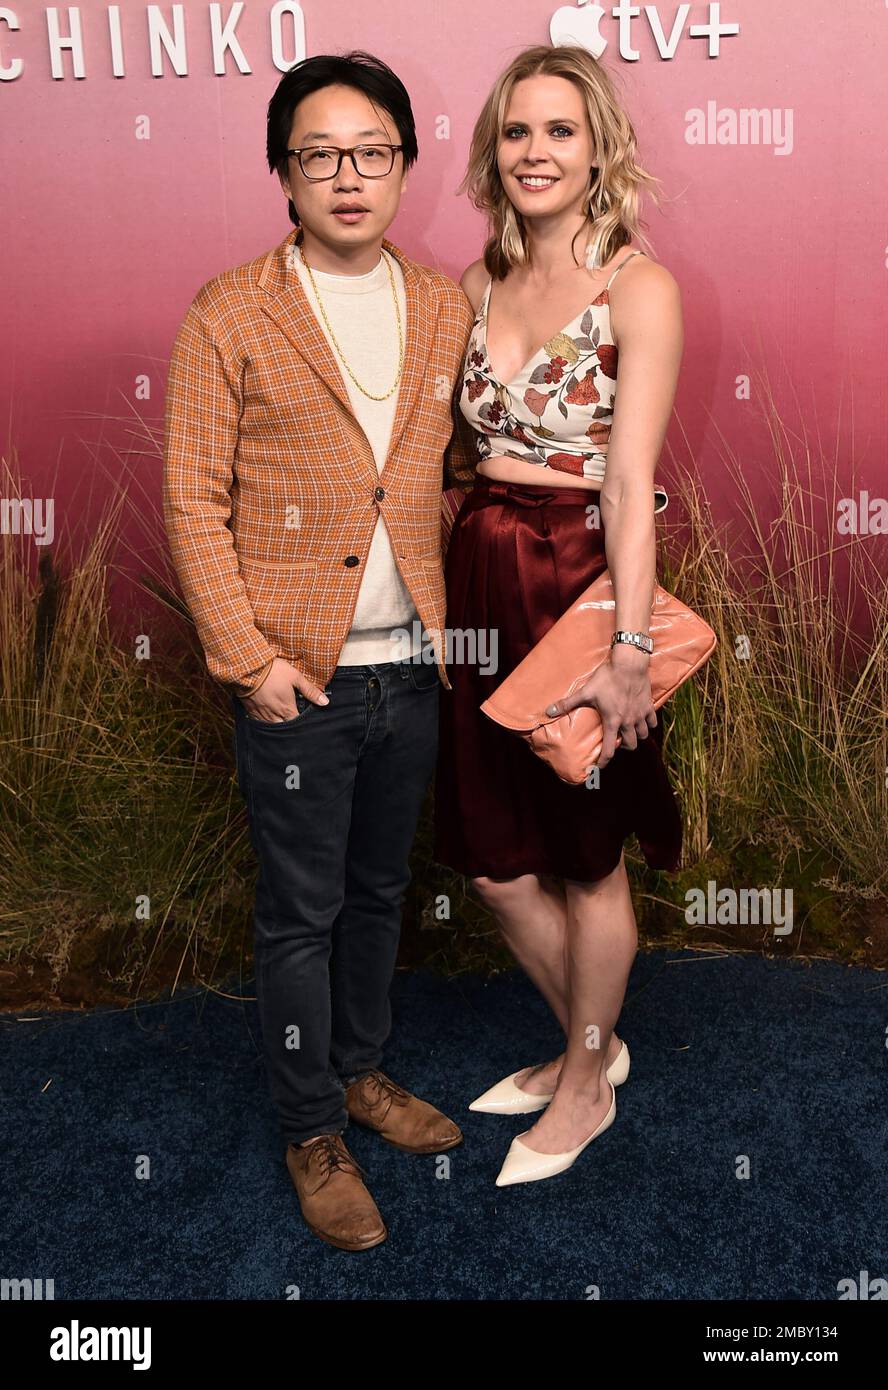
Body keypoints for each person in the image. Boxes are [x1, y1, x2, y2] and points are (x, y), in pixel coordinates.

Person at [162, 51, 479, 1250]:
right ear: (282, 172)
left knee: (380, 892)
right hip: (301, 677)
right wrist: (250, 659)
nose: (348, 176)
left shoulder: (444, 303)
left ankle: (360, 1070)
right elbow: (192, 499)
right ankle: (310, 1124)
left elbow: (449, 462)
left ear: (404, 163)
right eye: (319, 154)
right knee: (300, 912)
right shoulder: (229, 311)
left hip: (414, 666)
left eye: (372, 152)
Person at [433, 44, 684, 1186]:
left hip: (579, 579)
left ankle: (586, 1082)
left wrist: (630, 649)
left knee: (588, 860)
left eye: (560, 132)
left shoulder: (641, 286)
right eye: (517, 132)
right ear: (495, 151)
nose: (536, 152)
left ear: (599, 152)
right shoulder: (475, 285)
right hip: (481, 572)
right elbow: (452, 460)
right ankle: (598, 1039)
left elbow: (630, 484)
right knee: (493, 859)